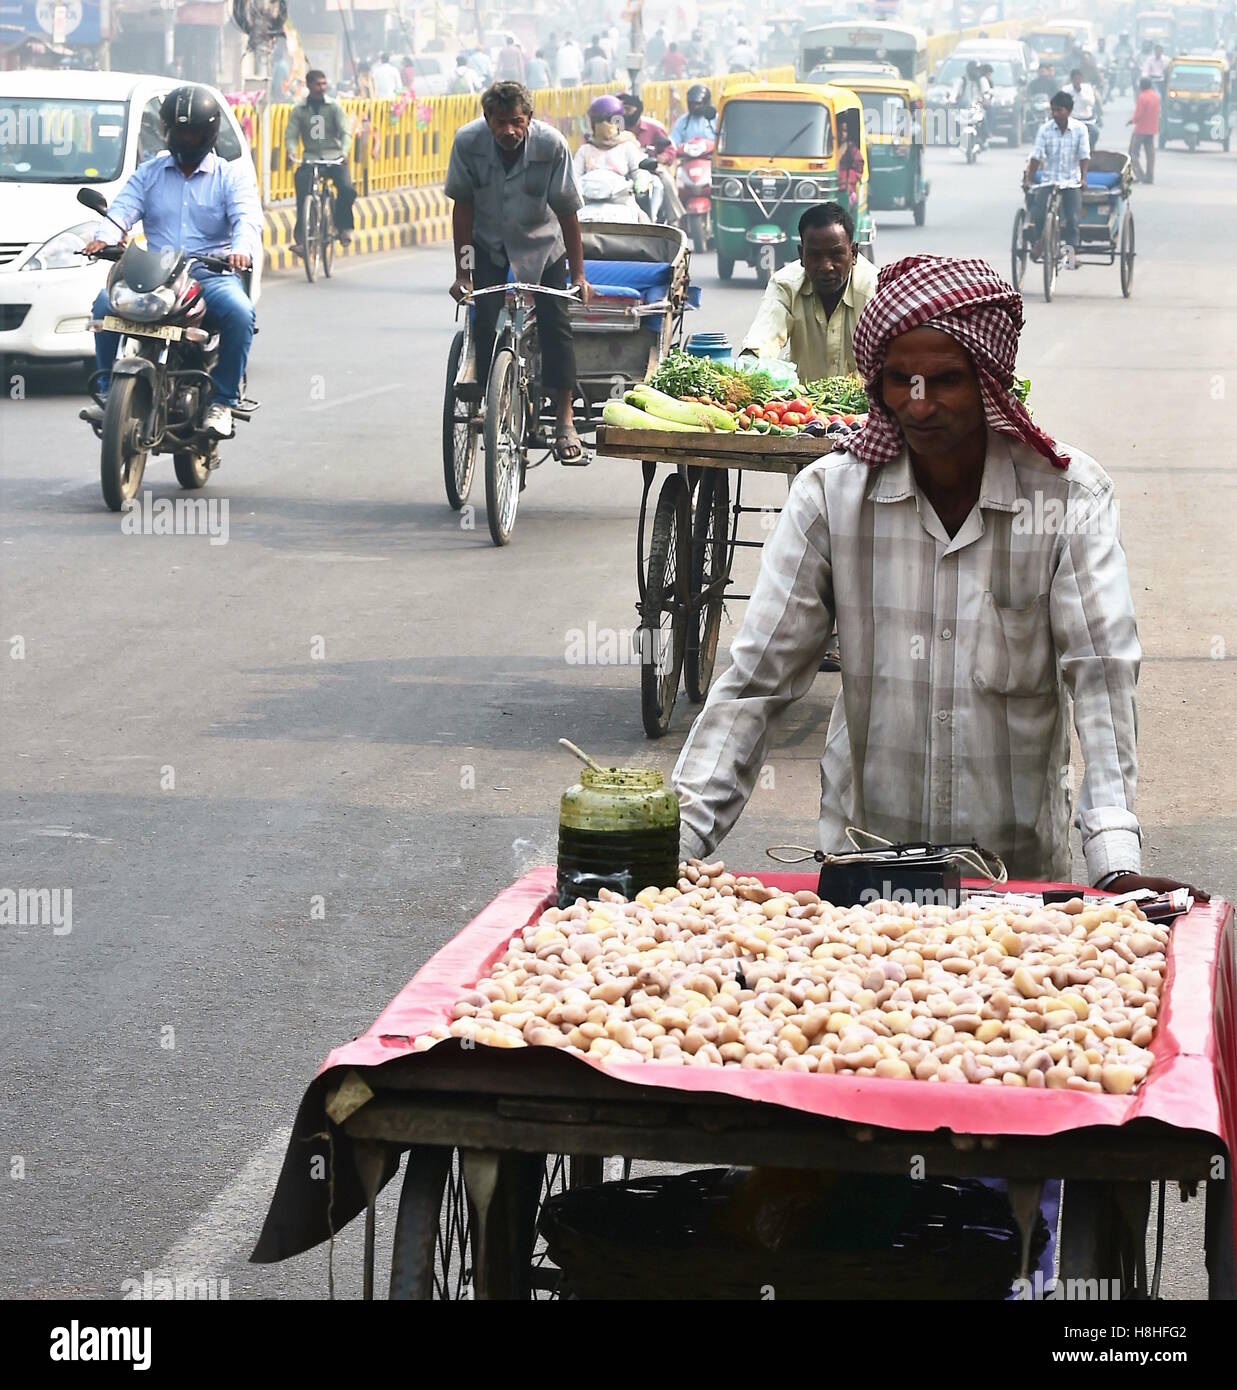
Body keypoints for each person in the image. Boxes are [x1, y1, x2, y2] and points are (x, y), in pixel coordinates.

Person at [673, 252, 1207, 905]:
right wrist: (673, 844)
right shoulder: (830, 496)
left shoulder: (1067, 496)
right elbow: (755, 684)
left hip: (1013, 872)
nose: (917, 405)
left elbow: (1100, 676)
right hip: (864, 866)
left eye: (944, 379)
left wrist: (1113, 861)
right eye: (899, 379)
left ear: (989, 382)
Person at [82, 86, 261, 440]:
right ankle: (106, 392)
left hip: (209, 274)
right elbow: (121, 210)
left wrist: (240, 250)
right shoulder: (149, 173)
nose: (184, 138)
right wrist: (106, 236)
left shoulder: (230, 177)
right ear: (166, 131)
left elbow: (247, 219)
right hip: (157, 274)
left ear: (208, 133)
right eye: (178, 131)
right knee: (104, 305)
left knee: (240, 312)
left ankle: (222, 401)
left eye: (191, 131)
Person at [446, 81, 591, 463]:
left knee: (555, 324)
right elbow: (462, 209)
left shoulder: (552, 145)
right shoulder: (467, 143)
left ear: (529, 119)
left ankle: (564, 418)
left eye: (516, 121)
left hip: (542, 246)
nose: (508, 130)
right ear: (487, 120)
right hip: (489, 243)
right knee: (482, 316)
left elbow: (567, 213)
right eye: (500, 122)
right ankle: (482, 391)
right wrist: (464, 275)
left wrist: (578, 274)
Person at [738, 202, 877, 380]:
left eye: (836, 255)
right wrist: (746, 369)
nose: (826, 267)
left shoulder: (874, 291)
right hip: (802, 404)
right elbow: (761, 341)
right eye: (815, 256)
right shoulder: (785, 285)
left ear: (854, 254)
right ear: (802, 255)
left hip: (863, 404)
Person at [286, 69, 358, 251]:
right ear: (309, 85)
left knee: (347, 189)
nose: (321, 88)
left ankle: (343, 227)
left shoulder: (333, 107)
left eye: (324, 84)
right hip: (310, 158)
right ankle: (302, 240)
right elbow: (292, 134)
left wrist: (344, 151)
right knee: (303, 193)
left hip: (334, 157)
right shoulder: (300, 110)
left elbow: (345, 132)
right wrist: (292, 150)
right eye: (317, 84)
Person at [1024, 89, 1090, 270]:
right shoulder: (1044, 130)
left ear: (1068, 110)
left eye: (1059, 110)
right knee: (1037, 214)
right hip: (1049, 181)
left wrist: (1083, 179)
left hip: (1071, 181)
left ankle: (1070, 255)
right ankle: (1039, 242)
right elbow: (1036, 156)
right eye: (1053, 110)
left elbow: (1084, 156)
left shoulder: (1080, 130)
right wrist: (1030, 180)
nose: (1055, 114)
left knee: (1073, 219)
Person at [619, 90, 684, 220]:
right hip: (623, 171)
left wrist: (661, 158)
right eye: (622, 109)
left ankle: (673, 219)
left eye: (628, 109)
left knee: (665, 180)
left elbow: (670, 150)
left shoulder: (654, 128)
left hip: (651, 169)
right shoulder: (616, 128)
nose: (624, 113)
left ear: (638, 110)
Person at [1128, 76, 1160, 183]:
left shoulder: (1142, 97)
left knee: (1133, 153)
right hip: (1152, 129)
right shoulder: (1156, 96)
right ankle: (1150, 176)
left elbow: (1138, 114)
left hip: (1141, 129)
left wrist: (1131, 121)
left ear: (1141, 86)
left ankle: (1141, 176)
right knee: (1150, 154)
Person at [835, 114, 865, 215]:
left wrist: (843, 178)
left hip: (845, 188)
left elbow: (858, 169)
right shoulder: (826, 149)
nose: (842, 134)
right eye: (840, 130)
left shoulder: (851, 148)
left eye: (845, 131)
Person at [1068, 66, 1102, 147]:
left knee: (1095, 133)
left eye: (1079, 79)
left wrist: (1080, 93)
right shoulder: (1066, 90)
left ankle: (1090, 150)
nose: (1077, 81)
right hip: (1073, 121)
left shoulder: (1087, 88)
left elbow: (1091, 103)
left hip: (1087, 120)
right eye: (1075, 79)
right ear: (1072, 80)